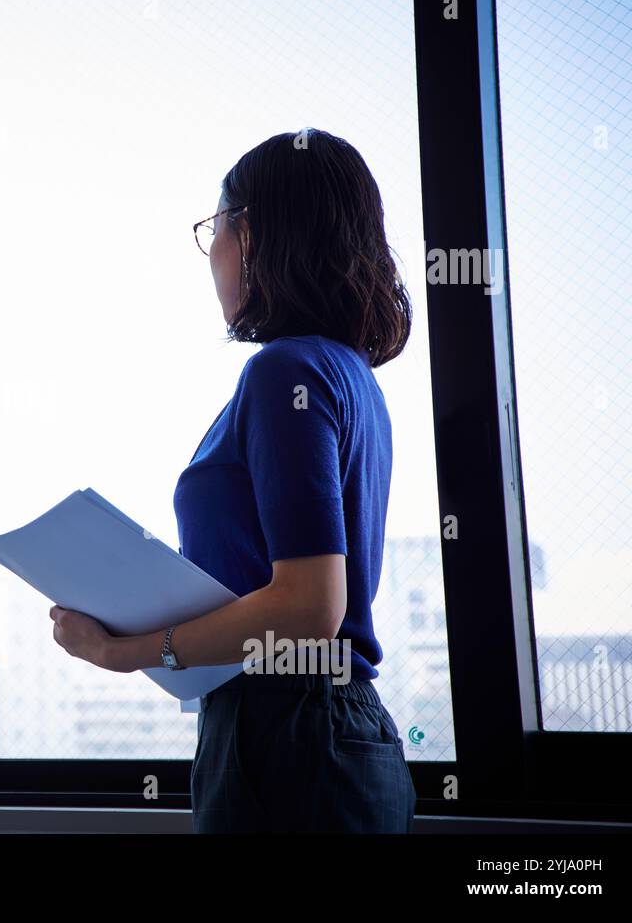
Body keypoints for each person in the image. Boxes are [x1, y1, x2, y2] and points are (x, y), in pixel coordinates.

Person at [49, 128, 418, 832]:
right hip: (324, 730)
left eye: (212, 229)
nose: (210, 253)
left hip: (288, 733)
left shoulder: (285, 372)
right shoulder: (344, 374)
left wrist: (126, 652)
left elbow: (310, 606)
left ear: (249, 238)